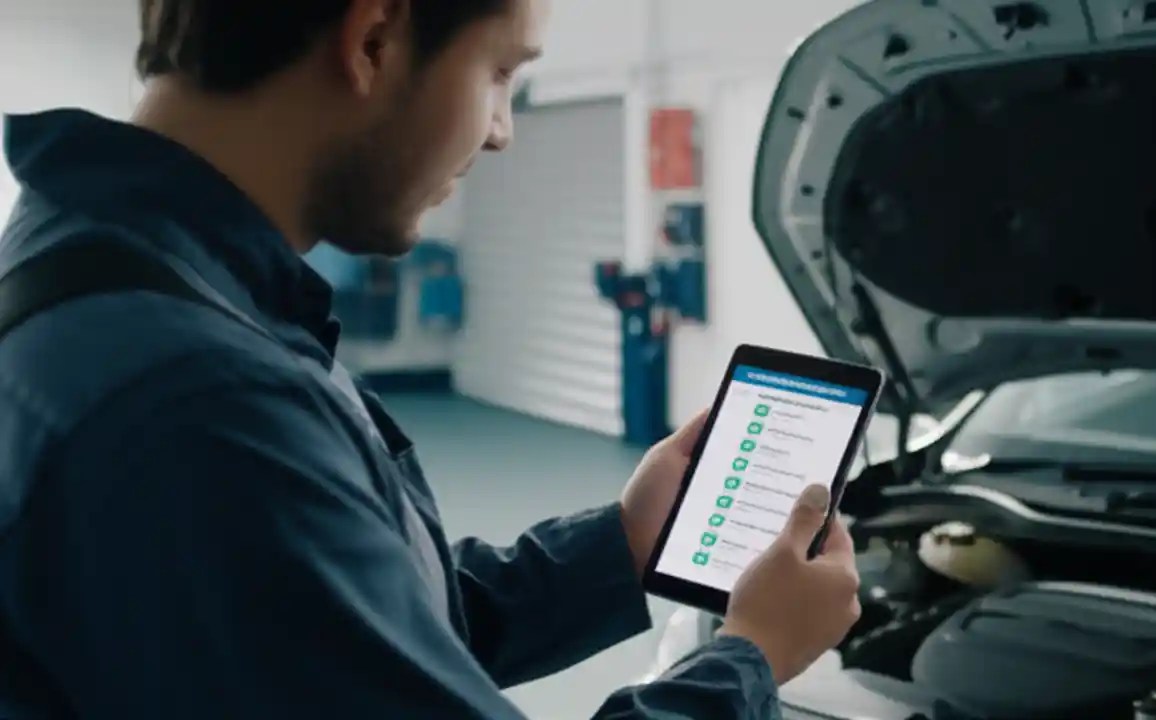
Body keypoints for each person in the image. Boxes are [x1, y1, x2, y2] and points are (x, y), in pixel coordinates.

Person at [0, 1, 862, 717]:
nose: (502, 133)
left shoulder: (112, 265)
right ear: (374, 40)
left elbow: (341, 631)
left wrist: (622, 543)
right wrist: (751, 656)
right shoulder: (197, 399)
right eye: (500, 73)